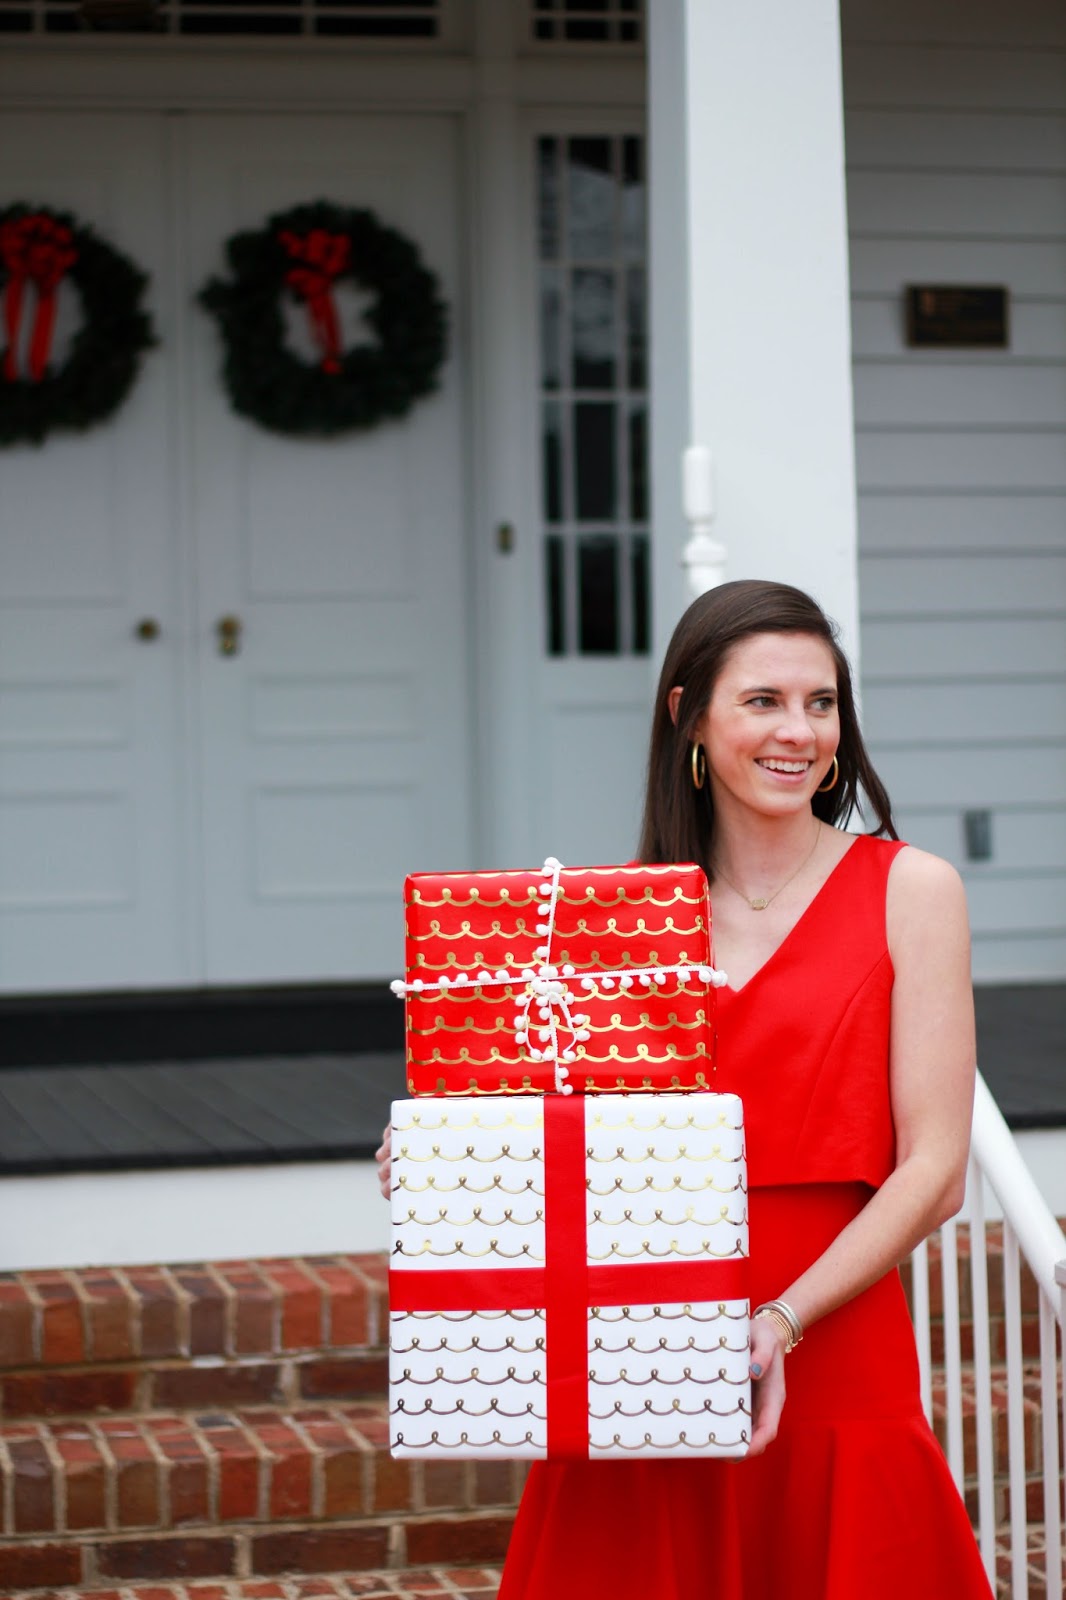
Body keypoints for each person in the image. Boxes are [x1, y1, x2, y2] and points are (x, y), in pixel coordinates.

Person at [378, 579, 993, 1600]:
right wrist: (446, 1160)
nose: (799, 731)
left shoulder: (912, 889)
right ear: (689, 716)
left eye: (821, 702)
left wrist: (778, 1323)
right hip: (646, 1337)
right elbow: (557, 1137)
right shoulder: (613, 915)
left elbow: (934, 1171)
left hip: (834, 1332)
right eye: (763, 701)